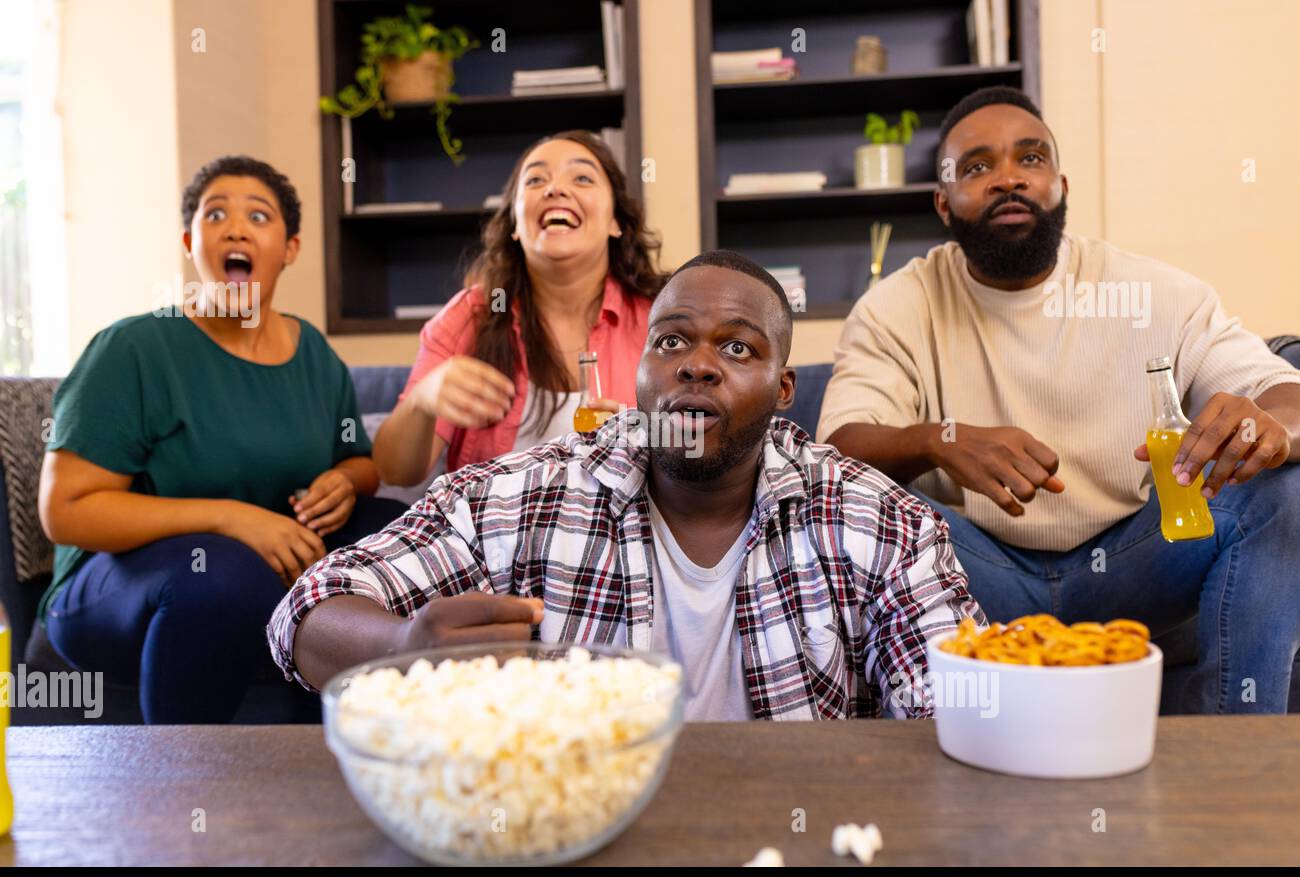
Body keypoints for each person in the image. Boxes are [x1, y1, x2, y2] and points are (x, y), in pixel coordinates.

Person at [268, 251, 982, 719]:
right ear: (637, 371)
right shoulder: (526, 496)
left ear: (785, 388)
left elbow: (957, 701)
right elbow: (304, 610)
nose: (697, 365)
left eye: (737, 347)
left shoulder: (876, 517)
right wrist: (401, 648)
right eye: (670, 341)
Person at [818, 86, 1300, 714]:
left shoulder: (1154, 292)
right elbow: (837, 454)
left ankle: (1239, 754)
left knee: (1283, 489)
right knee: (850, 506)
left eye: (1031, 158)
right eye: (977, 167)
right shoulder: (895, 307)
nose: (1007, 179)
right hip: (970, 574)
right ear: (943, 203)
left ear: (1061, 185)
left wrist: (1271, 427)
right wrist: (943, 439)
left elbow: (1282, 393)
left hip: (1138, 562)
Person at [37, 155, 406, 723]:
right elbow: (67, 511)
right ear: (191, 242)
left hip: (268, 565)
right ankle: (186, 784)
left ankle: (341, 754)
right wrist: (230, 518)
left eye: (259, 216)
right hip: (118, 587)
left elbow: (358, 458)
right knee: (223, 573)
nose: (236, 228)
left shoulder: (314, 354)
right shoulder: (133, 350)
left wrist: (343, 480)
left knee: (387, 527)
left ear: (291, 248)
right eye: (216, 215)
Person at [372, 130, 667, 484]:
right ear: (514, 224)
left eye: (582, 178)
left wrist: (645, 436)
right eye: (536, 179)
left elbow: (706, 444)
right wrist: (422, 400)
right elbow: (394, 472)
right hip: (491, 538)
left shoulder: (663, 317)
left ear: (615, 222)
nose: (555, 189)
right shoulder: (471, 315)